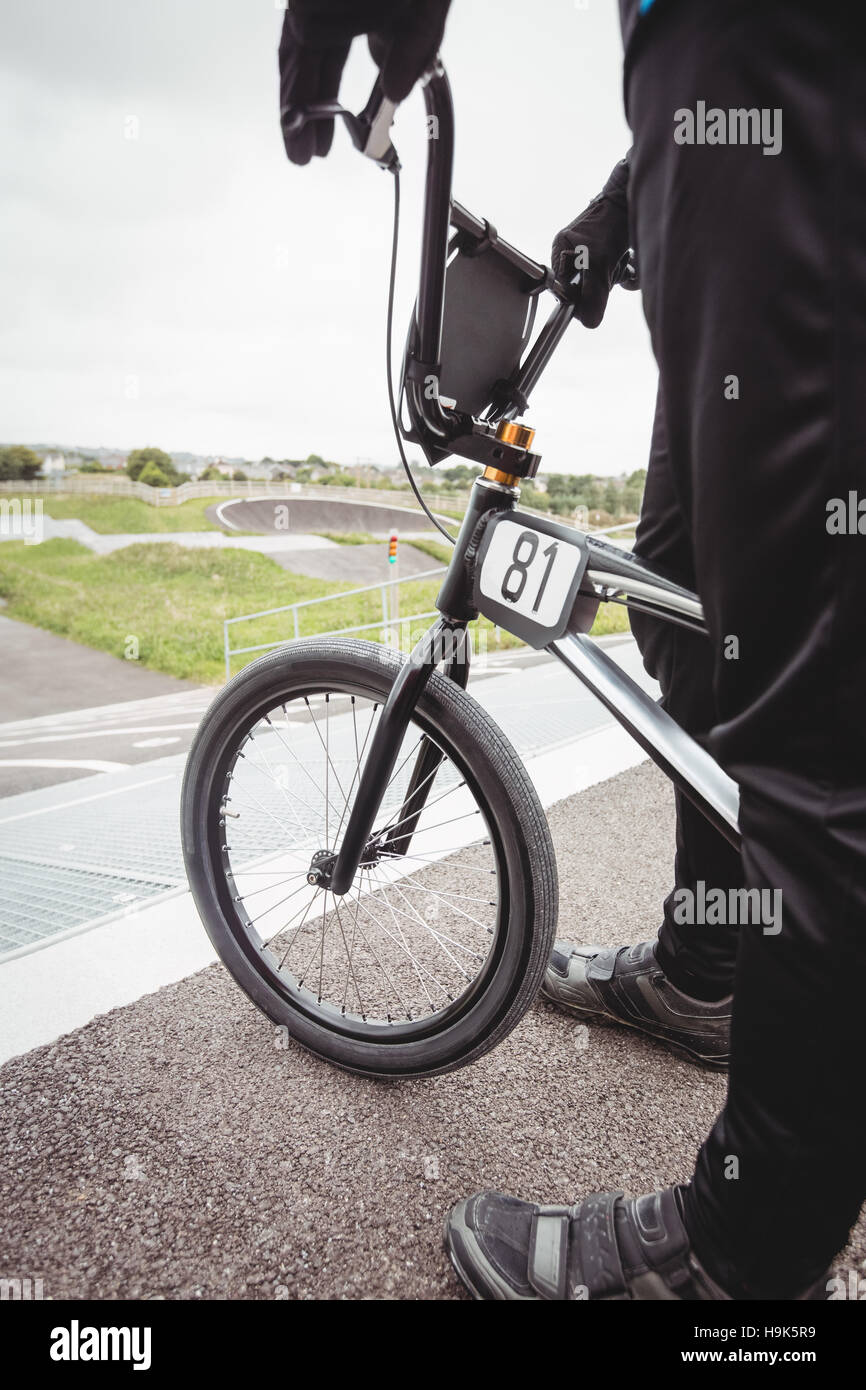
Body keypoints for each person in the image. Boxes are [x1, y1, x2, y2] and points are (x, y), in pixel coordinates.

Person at [279, 0, 866, 1300]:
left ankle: (747, 1252)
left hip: (787, 61)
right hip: (721, 99)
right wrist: (626, 191)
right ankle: (713, 966)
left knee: (806, 691)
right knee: (684, 600)